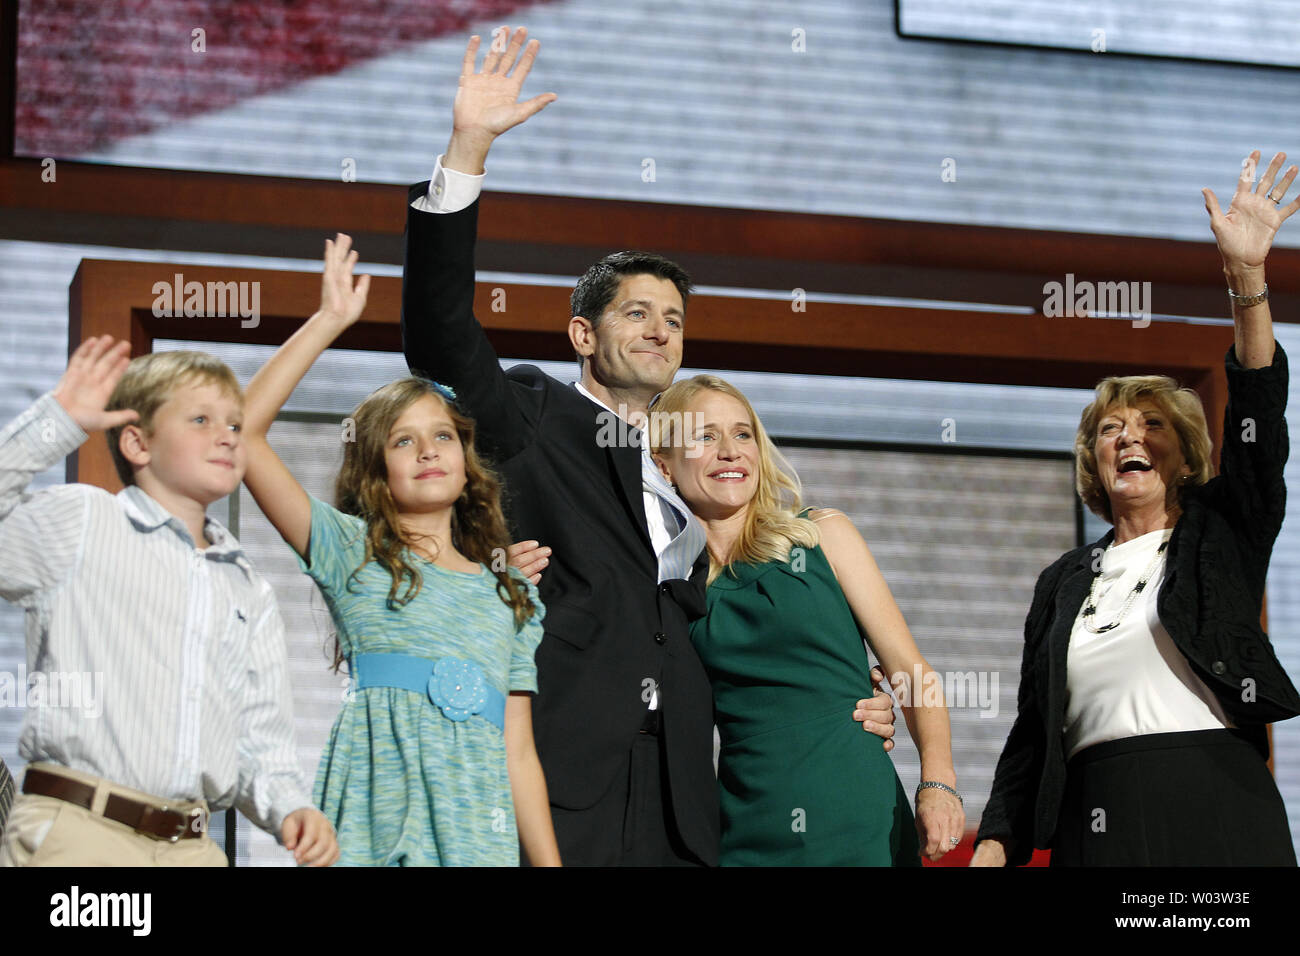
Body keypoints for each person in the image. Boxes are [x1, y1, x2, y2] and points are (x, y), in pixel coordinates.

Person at [402, 28, 896, 865]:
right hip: (561, 775)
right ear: (582, 335)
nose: (660, 330)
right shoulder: (533, 413)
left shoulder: (705, 467)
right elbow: (442, 336)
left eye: (674, 319)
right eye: (636, 313)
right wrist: (467, 152)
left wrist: (850, 695)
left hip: (687, 803)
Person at [972, 151, 1300, 866]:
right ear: (1094, 461)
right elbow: (1033, 732)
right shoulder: (1061, 581)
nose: (1129, 438)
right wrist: (995, 844)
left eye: (1152, 426)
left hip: (1217, 802)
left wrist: (1246, 277)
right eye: (1112, 431)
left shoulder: (1222, 530)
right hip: (1097, 815)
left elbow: (1258, 414)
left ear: (1184, 456)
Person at [242, 235, 560, 866]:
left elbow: (518, 752)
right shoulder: (348, 548)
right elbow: (244, 434)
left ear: (467, 466)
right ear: (375, 472)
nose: (427, 450)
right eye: (403, 441)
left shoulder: (511, 594)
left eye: (442, 435)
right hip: (370, 821)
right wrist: (328, 320)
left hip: (476, 835)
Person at [0, 338, 336, 866]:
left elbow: (258, 741)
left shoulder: (247, 586)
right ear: (137, 443)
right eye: (200, 419)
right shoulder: (83, 522)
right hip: (82, 834)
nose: (226, 437)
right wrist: (57, 420)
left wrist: (290, 808)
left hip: (193, 848)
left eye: (233, 424)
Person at [649, 375, 965, 864]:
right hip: (744, 830)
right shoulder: (669, 589)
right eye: (705, 436)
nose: (730, 451)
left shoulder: (821, 535)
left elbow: (910, 670)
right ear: (663, 464)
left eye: (743, 433)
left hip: (857, 817)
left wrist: (938, 781)